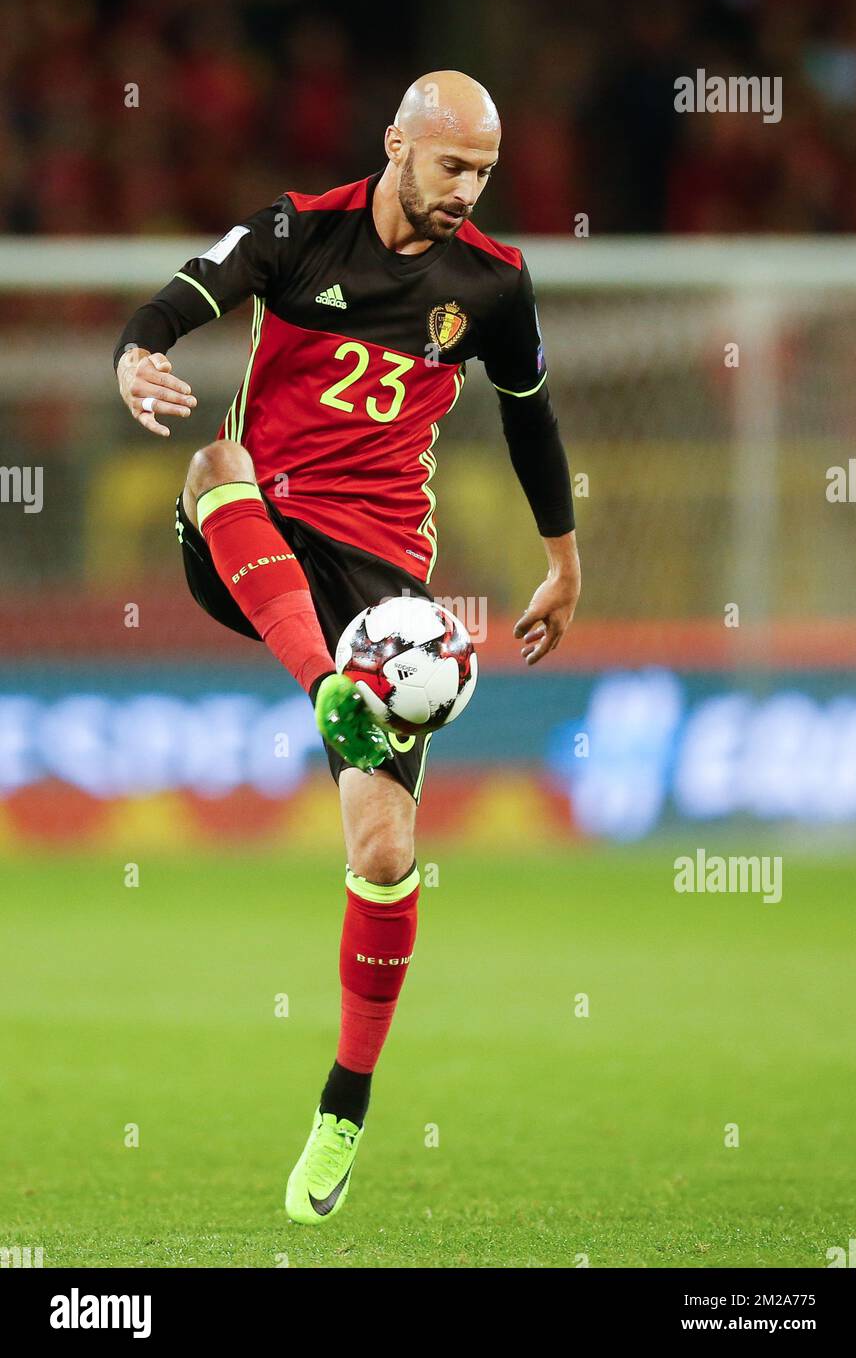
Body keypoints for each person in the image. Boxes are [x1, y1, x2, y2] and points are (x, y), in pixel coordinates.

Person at [114, 69, 581, 1224]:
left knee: (382, 852)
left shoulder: (493, 283)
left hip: (382, 595)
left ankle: (345, 1102)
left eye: (483, 171)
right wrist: (138, 349)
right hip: (253, 535)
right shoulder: (296, 229)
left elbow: (529, 414)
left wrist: (564, 559)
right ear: (395, 146)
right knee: (213, 461)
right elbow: (189, 288)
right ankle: (323, 687)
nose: (466, 191)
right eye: (449, 166)